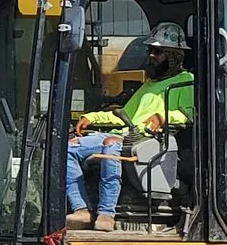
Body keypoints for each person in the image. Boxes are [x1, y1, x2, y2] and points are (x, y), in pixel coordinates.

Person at [66, 22, 196, 230]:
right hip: (126, 134)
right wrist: (92, 118)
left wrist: (163, 118)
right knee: (68, 148)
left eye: (158, 52)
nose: (151, 56)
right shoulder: (148, 85)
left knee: (110, 145)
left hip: (150, 140)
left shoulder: (186, 81)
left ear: (174, 56)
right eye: (150, 51)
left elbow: (189, 114)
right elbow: (125, 116)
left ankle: (106, 214)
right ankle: (82, 210)